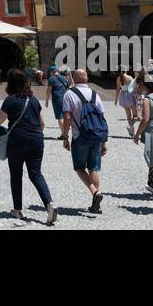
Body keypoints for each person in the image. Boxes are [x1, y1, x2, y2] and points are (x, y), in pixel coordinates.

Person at [0, 68, 55, 224]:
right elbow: (42, 123)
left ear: (10, 83)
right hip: (37, 139)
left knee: (16, 174)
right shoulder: (33, 100)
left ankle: (17, 210)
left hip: (18, 140)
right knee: (36, 173)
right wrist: (35, 135)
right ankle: (49, 204)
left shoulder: (10, 99)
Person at [60, 69, 107, 214]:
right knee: (93, 168)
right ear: (86, 79)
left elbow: (67, 118)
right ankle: (95, 205)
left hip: (79, 136)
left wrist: (65, 136)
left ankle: (94, 192)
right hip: (96, 135)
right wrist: (104, 141)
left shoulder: (69, 94)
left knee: (79, 167)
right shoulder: (95, 94)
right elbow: (102, 118)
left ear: (74, 79)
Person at [45, 65, 70, 140]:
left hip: (57, 100)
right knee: (66, 116)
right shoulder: (65, 78)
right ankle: (65, 133)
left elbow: (48, 91)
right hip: (66, 99)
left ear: (51, 72)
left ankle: (64, 135)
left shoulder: (51, 79)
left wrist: (47, 100)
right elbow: (68, 88)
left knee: (60, 117)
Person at [116, 69, 138, 137]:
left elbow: (117, 89)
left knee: (128, 115)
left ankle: (131, 129)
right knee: (135, 116)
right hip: (130, 95)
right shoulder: (129, 77)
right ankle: (131, 128)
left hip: (123, 95)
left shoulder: (118, 78)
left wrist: (116, 99)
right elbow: (134, 87)